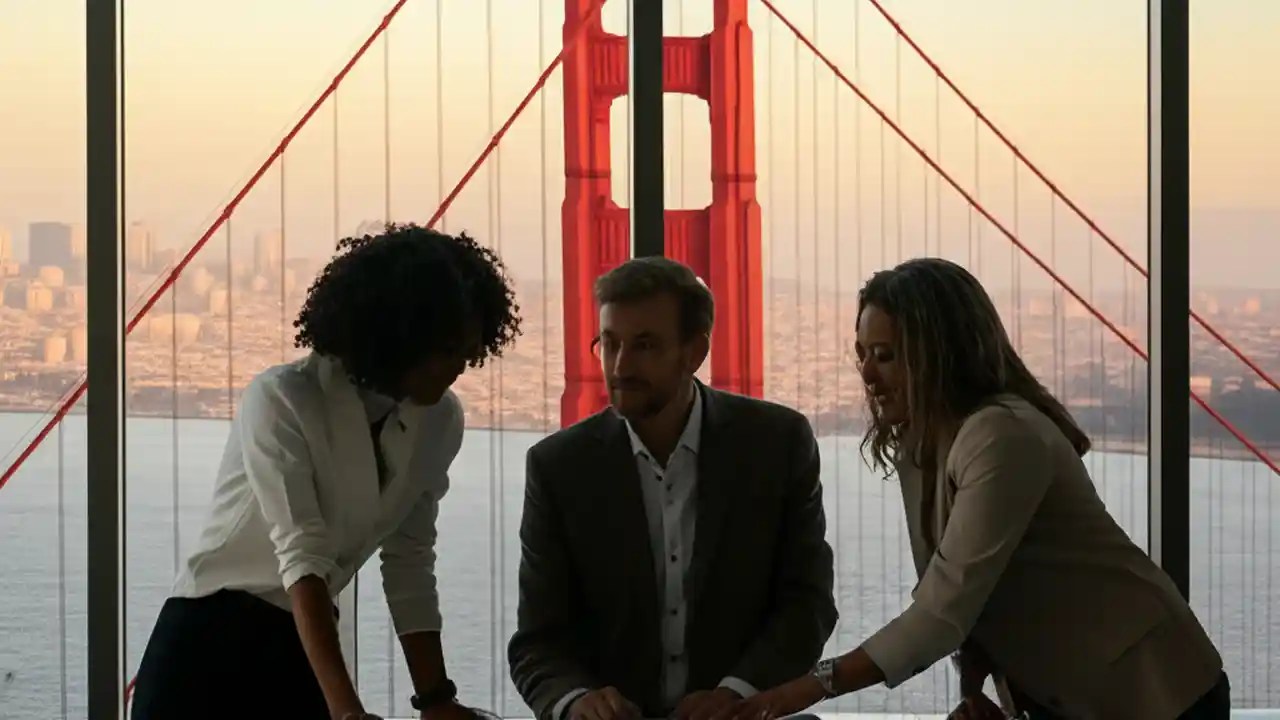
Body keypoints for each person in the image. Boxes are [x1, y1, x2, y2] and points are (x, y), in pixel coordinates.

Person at [728, 257, 1228, 720]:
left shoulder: (1002, 436)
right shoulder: (923, 442)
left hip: (1158, 690)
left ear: (940, 354)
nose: (867, 375)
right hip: (1074, 697)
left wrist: (798, 691)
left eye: (885, 355)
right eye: (862, 354)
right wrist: (977, 691)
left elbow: (942, 610)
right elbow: (958, 593)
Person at [130, 224, 522, 720]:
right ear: (399, 337)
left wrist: (437, 701)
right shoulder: (283, 398)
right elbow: (303, 558)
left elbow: (410, 560)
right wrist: (346, 711)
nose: (460, 368)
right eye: (447, 350)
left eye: (468, 351)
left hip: (306, 642)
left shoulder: (441, 421)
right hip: (209, 641)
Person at [508, 256, 838, 720]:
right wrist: (576, 700)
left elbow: (808, 606)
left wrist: (734, 693)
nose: (620, 366)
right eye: (609, 343)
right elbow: (537, 642)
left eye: (644, 345)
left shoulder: (776, 445)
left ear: (694, 352)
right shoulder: (558, 467)